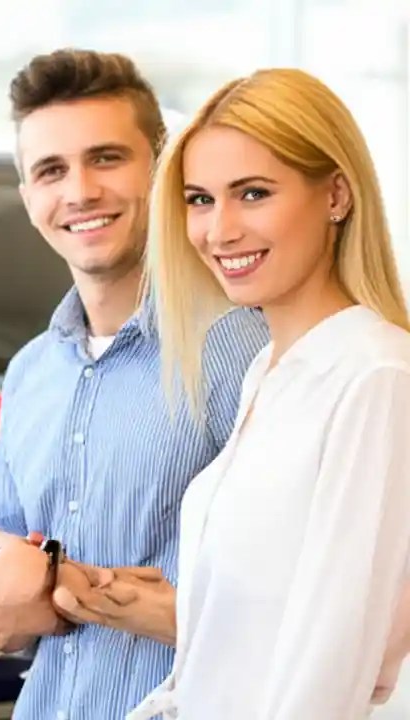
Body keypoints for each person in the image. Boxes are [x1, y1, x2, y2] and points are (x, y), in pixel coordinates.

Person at [0, 48, 270, 720]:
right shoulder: (31, 374)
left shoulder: (246, 352)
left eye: (106, 158)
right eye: (51, 171)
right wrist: (26, 595)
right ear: (29, 198)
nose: (80, 192)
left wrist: (56, 585)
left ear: (160, 167)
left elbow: (293, 613)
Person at [126, 67, 410, 719]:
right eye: (199, 199)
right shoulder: (268, 372)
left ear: (336, 195)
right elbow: (222, 656)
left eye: (252, 194)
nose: (218, 231)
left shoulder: (375, 377)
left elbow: (330, 664)